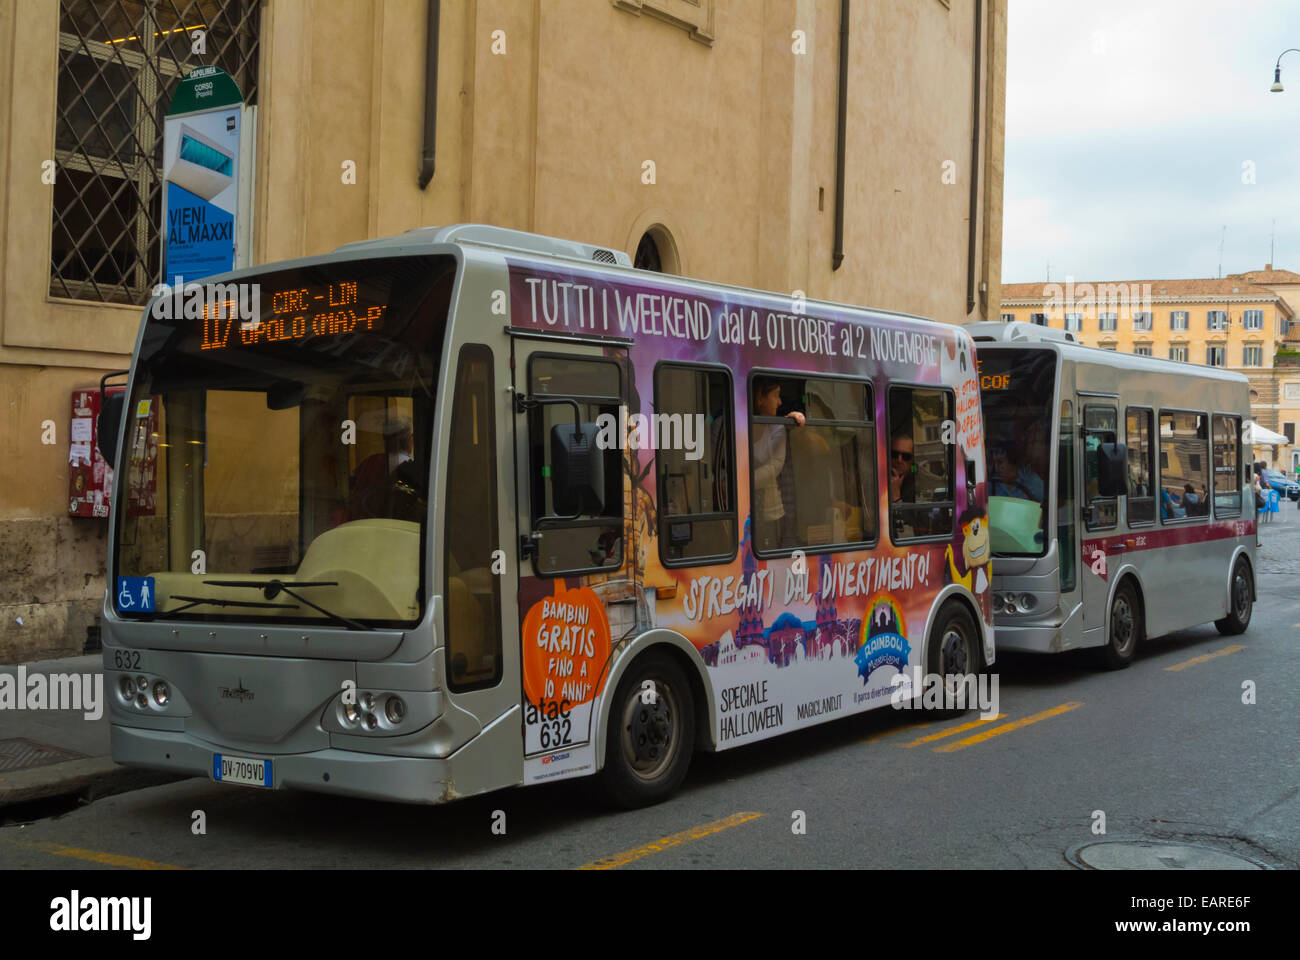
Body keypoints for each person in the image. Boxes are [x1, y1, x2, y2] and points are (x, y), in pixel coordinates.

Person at [751, 378, 804, 548]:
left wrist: (740, 483)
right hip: (743, 507)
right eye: (776, 396)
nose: (780, 402)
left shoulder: (777, 426)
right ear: (760, 399)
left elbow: (774, 468)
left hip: (769, 512)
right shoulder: (738, 424)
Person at [347, 416, 417, 520]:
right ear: (409, 439)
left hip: (365, 521)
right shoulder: (412, 467)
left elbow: (354, 493)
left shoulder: (370, 461)